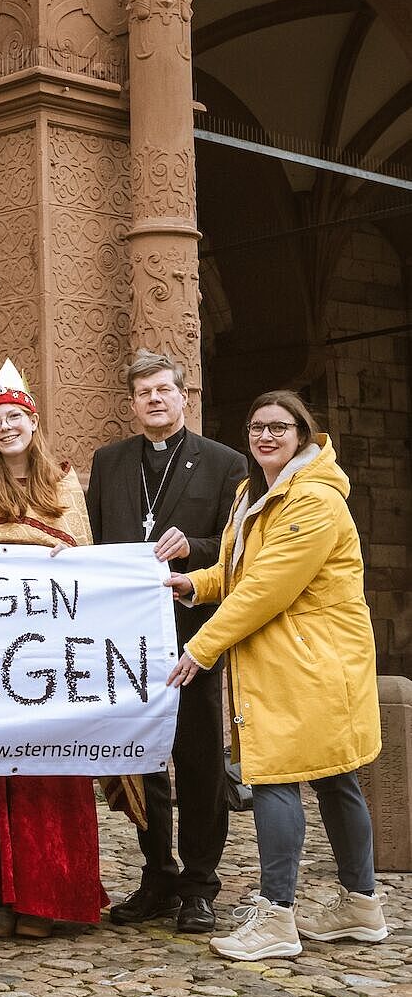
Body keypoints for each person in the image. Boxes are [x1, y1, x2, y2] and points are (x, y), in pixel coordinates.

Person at [166, 390, 387, 961]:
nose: (265, 436)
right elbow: (238, 573)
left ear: (303, 434)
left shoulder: (314, 502)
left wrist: (202, 646)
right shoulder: (252, 493)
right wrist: (195, 584)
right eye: (256, 426)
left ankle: (278, 916)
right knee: (335, 778)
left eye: (279, 427)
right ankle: (361, 906)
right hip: (290, 660)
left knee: (275, 777)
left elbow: (268, 589)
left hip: (312, 662)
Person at [0, 358, 107, 938]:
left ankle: (46, 895)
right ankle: (0, 897)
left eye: (15, 417)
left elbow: (77, 547)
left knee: (45, 769)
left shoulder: (61, 478)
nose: (6, 427)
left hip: (44, 645)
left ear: (33, 423)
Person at [86, 351, 246, 934]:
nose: (154, 399)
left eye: (164, 390)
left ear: (184, 397)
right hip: (126, 635)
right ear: (131, 405)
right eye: (143, 393)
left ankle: (200, 884)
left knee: (199, 758)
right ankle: (158, 875)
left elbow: (234, 549)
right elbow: (100, 541)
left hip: (192, 629)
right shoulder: (110, 462)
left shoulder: (226, 464)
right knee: (141, 758)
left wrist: (194, 549)